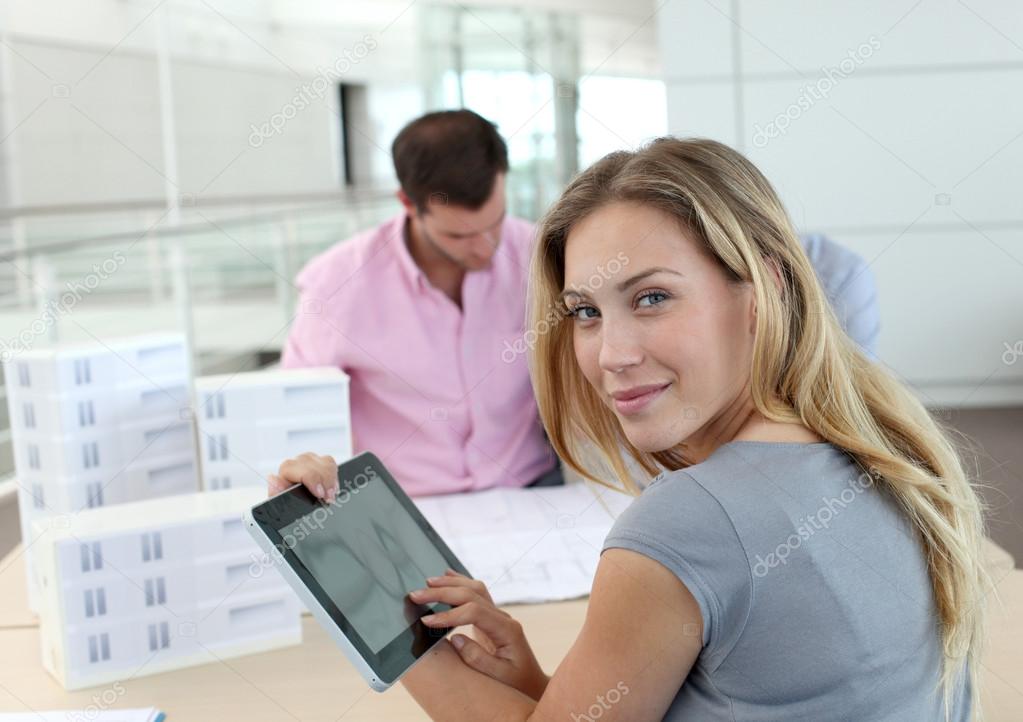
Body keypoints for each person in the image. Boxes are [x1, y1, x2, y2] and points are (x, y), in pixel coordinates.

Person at [274, 138, 986, 720]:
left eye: (652, 297)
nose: (610, 354)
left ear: (761, 290)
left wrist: (390, 626)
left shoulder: (687, 523)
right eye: (584, 312)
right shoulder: (884, 449)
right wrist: (524, 673)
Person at [277, 109, 879, 497]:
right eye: (460, 236)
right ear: (408, 205)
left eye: (494, 222)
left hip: (529, 494)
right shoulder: (336, 287)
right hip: (412, 502)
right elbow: (294, 413)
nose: (487, 247)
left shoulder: (542, 255)